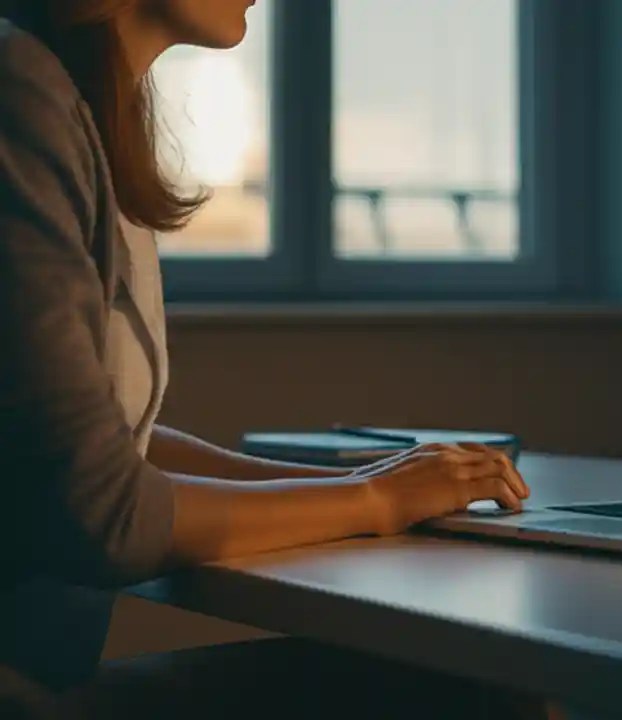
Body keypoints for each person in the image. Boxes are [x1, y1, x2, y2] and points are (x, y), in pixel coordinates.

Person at [0, 0, 540, 717]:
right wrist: (371, 501)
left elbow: (92, 444)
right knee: (472, 694)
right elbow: (105, 514)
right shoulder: (22, 96)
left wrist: (358, 486)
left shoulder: (72, 105)